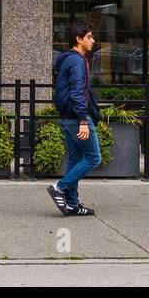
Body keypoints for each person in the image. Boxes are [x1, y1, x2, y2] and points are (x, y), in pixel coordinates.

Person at [47, 23, 102, 216]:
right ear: (79, 39)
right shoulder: (77, 61)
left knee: (75, 159)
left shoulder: (67, 60)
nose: (92, 41)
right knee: (94, 157)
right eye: (89, 37)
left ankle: (71, 204)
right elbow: (77, 91)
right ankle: (60, 187)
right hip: (76, 117)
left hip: (67, 117)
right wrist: (83, 120)